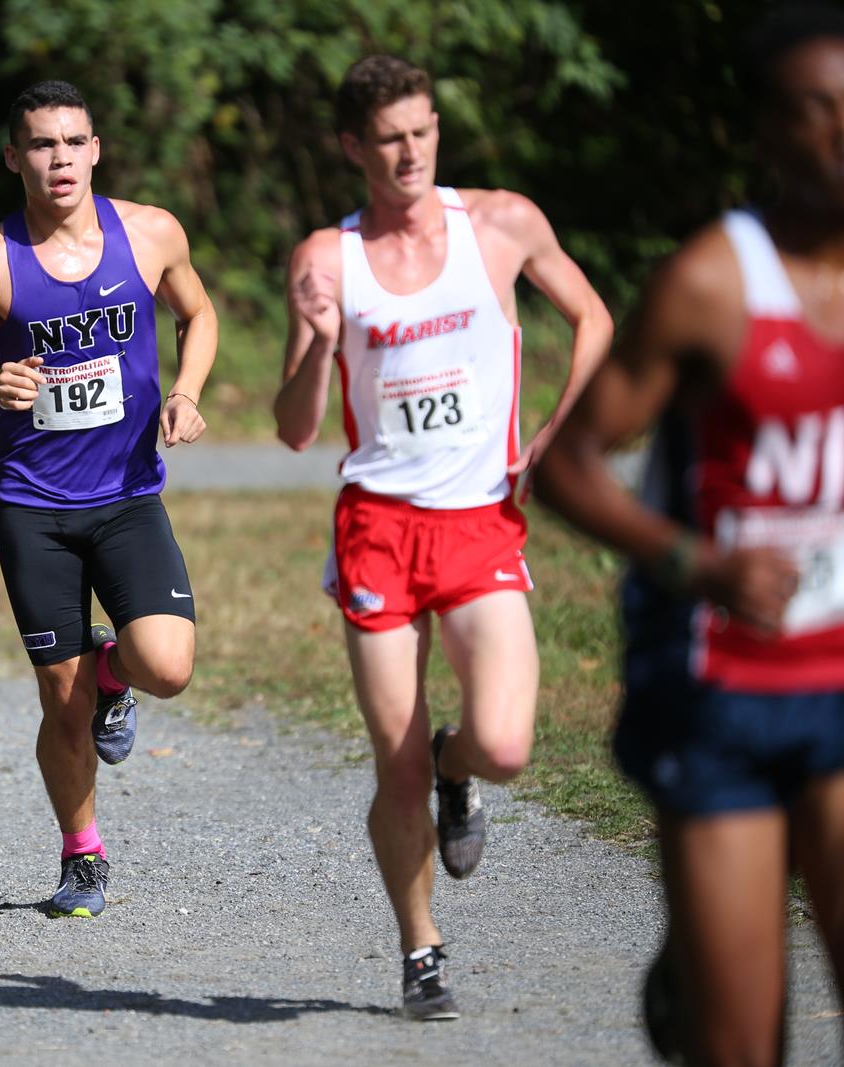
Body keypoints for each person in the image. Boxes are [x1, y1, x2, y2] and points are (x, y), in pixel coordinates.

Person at [273, 55, 611, 1019]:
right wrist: (323, 343)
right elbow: (294, 428)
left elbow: (593, 319)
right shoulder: (325, 259)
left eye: (422, 130)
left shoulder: (500, 223)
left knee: (503, 743)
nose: (411, 150)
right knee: (398, 766)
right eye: (389, 137)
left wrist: (557, 433)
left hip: (479, 524)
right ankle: (421, 949)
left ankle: (460, 773)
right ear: (354, 146)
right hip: (378, 529)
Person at [537, 8, 844, 1063]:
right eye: (815, 110)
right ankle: (709, 945)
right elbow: (568, 465)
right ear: (766, 132)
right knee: (740, 1043)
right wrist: (696, 562)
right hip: (724, 694)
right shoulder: (710, 283)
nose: (841, 133)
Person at [0, 80, 217, 919]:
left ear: (96, 150)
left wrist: (187, 391)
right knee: (62, 700)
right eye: (42, 144)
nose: (60, 159)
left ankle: (114, 674)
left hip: (127, 495)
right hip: (34, 506)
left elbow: (198, 314)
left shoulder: (151, 233)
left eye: (73, 141)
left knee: (168, 665)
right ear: (14, 157)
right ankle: (82, 854)